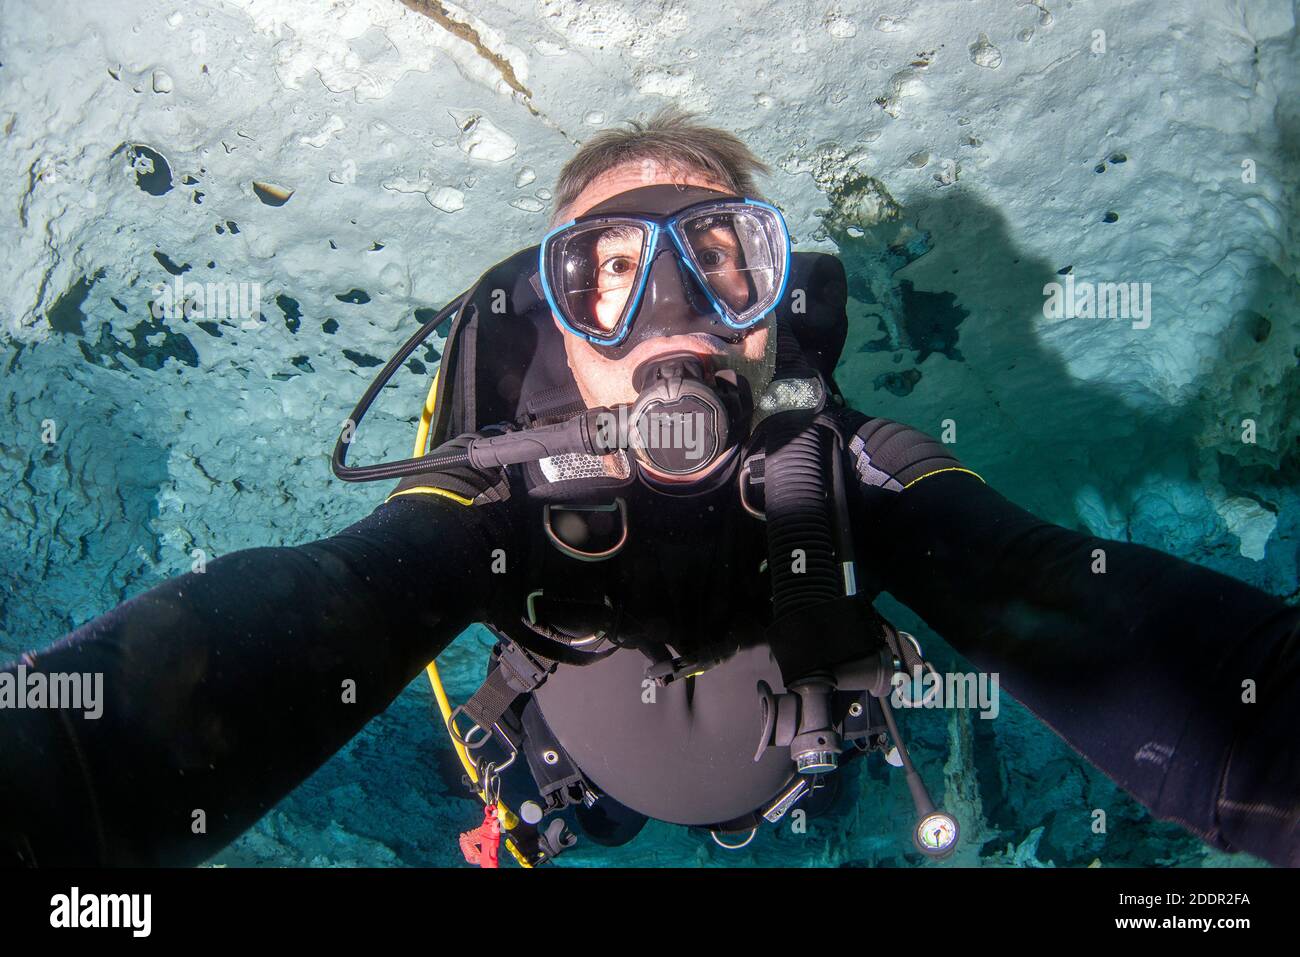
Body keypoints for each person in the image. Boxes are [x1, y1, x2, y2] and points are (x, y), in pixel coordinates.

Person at [1, 109, 1296, 868]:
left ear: (771, 307)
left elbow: (1040, 583)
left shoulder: (843, 460)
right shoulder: (493, 494)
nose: (673, 313)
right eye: (610, 273)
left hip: (794, 766)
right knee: (581, 813)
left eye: (723, 259)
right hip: (583, 784)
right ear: (561, 324)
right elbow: (332, 596)